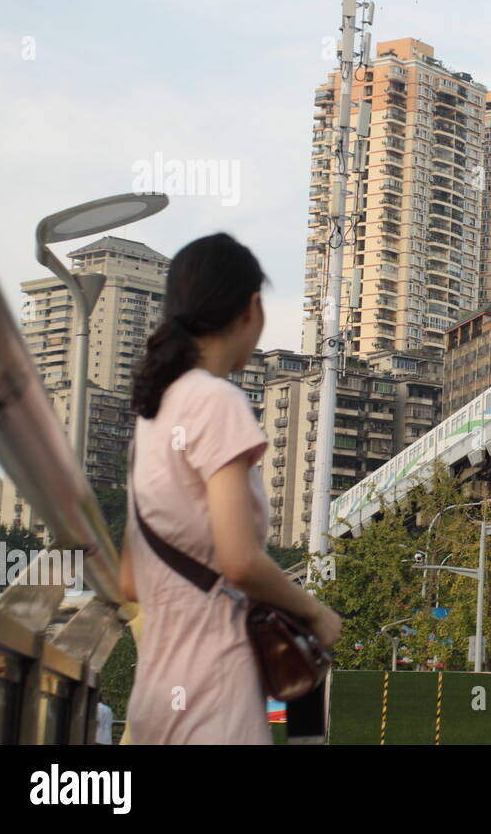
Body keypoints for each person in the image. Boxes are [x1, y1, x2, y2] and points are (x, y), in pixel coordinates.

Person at [120, 233, 340, 744]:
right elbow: (239, 560)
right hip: (214, 691)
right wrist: (314, 611)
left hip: (153, 694)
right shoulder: (217, 402)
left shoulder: (152, 416)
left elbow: (130, 581)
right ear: (252, 308)